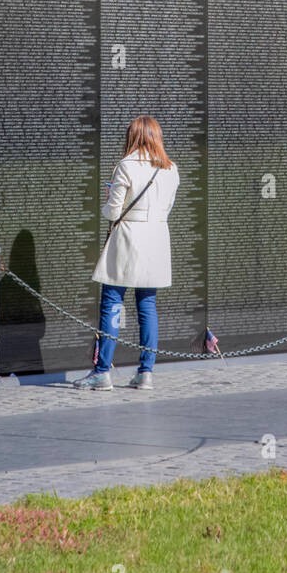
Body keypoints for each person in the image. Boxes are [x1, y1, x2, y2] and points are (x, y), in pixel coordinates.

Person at [75, 116, 179, 392]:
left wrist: (108, 200)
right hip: (156, 240)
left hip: (128, 239)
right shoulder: (170, 169)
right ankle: (146, 372)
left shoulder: (126, 166)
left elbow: (113, 211)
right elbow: (167, 208)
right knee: (147, 306)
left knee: (111, 303)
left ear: (131, 136)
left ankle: (102, 372)